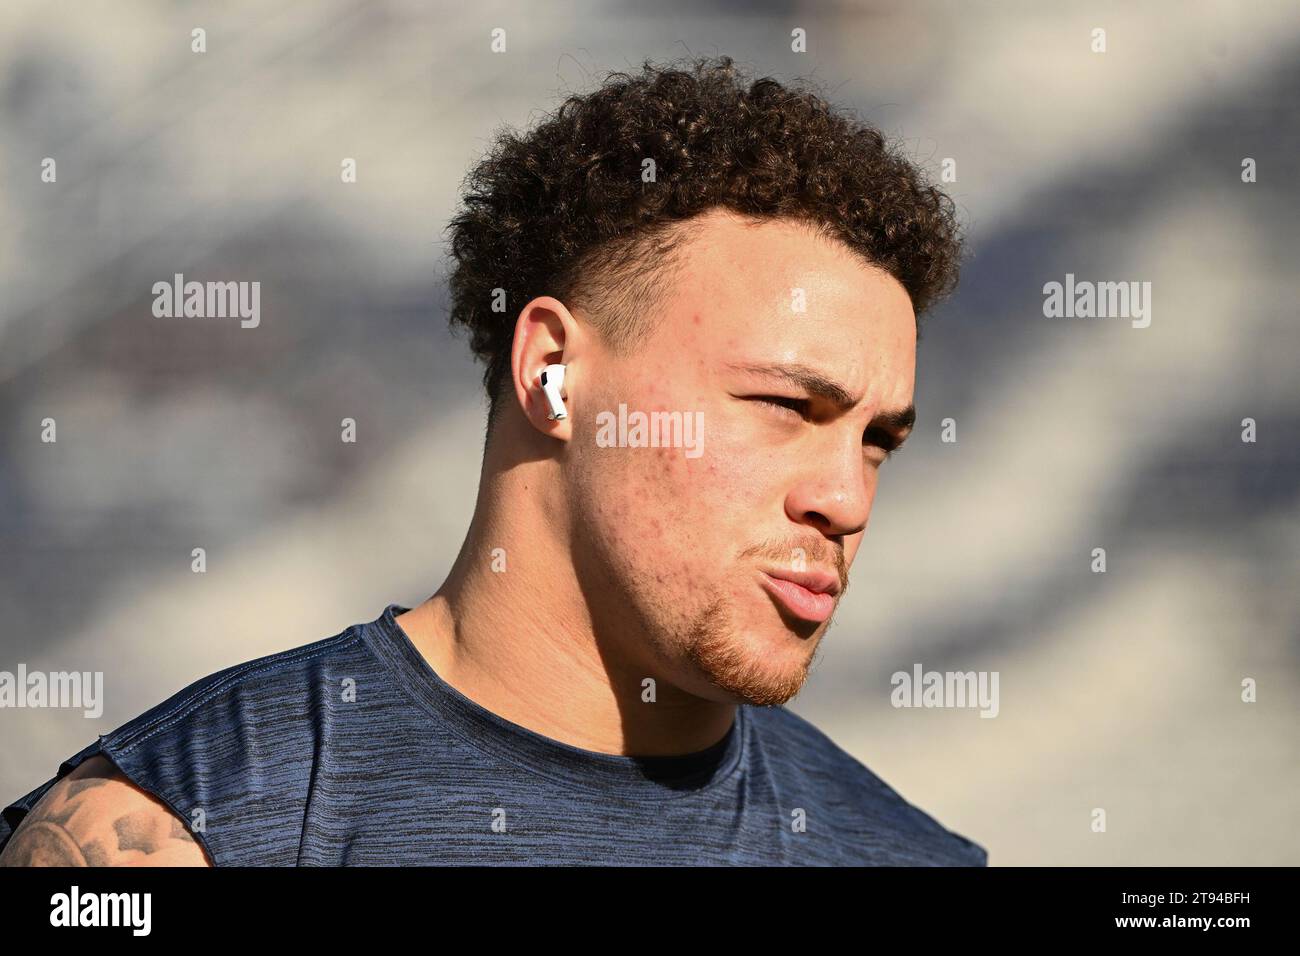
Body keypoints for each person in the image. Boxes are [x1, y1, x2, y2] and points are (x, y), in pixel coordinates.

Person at [0, 55, 986, 866]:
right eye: (783, 404)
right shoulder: (190, 824)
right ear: (553, 376)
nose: (845, 498)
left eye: (875, 439)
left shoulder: (905, 855)